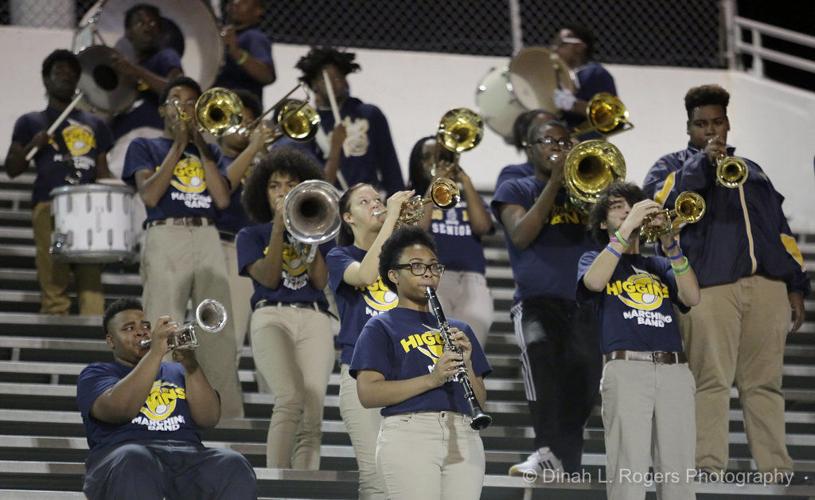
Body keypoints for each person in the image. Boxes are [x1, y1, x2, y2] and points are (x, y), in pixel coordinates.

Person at [642, 84, 810, 478]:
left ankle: (775, 469)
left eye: (717, 122)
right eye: (702, 124)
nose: (711, 130)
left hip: (766, 285)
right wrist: (700, 165)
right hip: (708, 287)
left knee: (765, 383)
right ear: (689, 128)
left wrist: (796, 285)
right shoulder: (670, 166)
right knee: (710, 380)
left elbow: (780, 232)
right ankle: (707, 465)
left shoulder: (754, 171)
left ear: (728, 122)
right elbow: (658, 209)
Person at [121, 76, 244, 419]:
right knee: (164, 321)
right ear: (163, 109)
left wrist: (201, 145)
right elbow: (149, 195)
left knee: (217, 326)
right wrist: (177, 145)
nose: (185, 108)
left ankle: (224, 415)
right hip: (166, 233)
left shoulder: (210, 151)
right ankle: (162, 410)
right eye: (177, 101)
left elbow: (220, 198)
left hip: (206, 234)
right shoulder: (145, 146)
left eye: (192, 102)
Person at [491, 119, 600, 475]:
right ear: (530, 148)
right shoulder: (515, 186)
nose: (557, 146)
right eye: (548, 141)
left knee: (584, 383)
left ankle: (564, 463)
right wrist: (554, 182)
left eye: (563, 139)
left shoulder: (586, 190)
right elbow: (521, 235)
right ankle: (545, 449)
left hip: (584, 303)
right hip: (537, 303)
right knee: (541, 363)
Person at [578, 182, 700, 500]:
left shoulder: (658, 265)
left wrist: (669, 242)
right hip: (627, 367)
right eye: (618, 205)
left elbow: (692, 296)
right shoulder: (594, 258)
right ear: (603, 222)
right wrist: (628, 227)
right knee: (628, 470)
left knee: (679, 473)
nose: (627, 210)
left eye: (632, 205)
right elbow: (593, 282)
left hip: (674, 368)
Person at [351, 225, 491, 500]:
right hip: (409, 433)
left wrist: (468, 364)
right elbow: (368, 393)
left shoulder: (459, 328)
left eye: (433, 267)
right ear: (394, 275)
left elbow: (481, 400)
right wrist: (433, 379)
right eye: (416, 266)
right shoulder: (380, 327)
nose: (427, 273)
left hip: (463, 432)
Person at [76, 298, 257, 500]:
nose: (141, 332)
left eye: (145, 326)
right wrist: (155, 354)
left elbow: (209, 418)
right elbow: (120, 409)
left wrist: (190, 363)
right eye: (129, 328)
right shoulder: (97, 373)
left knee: (232, 463)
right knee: (135, 459)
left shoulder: (178, 371)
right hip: (123, 457)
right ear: (111, 340)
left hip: (187, 458)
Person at [236, 148, 335, 469]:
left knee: (313, 411)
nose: (281, 192)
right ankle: (276, 483)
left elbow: (320, 281)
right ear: (262, 191)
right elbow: (268, 276)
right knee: (290, 398)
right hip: (271, 314)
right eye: (274, 185)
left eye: (289, 184)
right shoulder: (250, 235)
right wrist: (279, 228)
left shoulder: (315, 230)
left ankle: (304, 487)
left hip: (314, 317)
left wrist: (310, 233)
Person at [6, 49, 113, 316]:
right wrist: (33, 143)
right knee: (53, 268)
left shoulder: (95, 124)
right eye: (59, 72)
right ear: (46, 79)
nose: (65, 76)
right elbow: (12, 169)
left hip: (88, 206)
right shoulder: (31, 121)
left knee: (90, 273)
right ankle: (55, 320)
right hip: (49, 202)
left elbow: (102, 171)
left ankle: (94, 325)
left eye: (71, 73)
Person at [326, 184, 413, 499]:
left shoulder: (402, 257)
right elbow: (364, 276)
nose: (376, 204)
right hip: (362, 373)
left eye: (379, 199)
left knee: (407, 478)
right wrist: (391, 219)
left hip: (408, 371)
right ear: (348, 217)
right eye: (365, 202)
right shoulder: (339, 255)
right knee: (376, 478)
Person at [407, 136, 494, 347]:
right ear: (417, 164)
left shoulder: (463, 196)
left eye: (442, 157)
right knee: (436, 352)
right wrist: (433, 187)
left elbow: (482, 226)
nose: (435, 164)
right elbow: (417, 231)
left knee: (471, 350)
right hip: (432, 279)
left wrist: (465, 181)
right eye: (428, 158)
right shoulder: (412, 197)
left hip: (472, 280)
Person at [295, 47, 405, 196]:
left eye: (338, 77)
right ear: (313, 84)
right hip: (333, 204)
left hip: (371, 202)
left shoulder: (369, 114)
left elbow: (390, 166)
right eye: (325, 79)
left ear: (346, 81)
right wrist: (335, 147)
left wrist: (399, 202)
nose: (333, 84)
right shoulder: (308, 125)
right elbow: (317, 182)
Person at [215, 89, 270, 360]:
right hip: (219, 246)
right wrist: (253, 148)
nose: (245, 129)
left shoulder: (262, 164)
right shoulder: (211, 157)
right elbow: (222, 191)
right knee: (222, 334)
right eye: (238, 121)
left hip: (255, 254)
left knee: (243, 337)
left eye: (250, 123)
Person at [550, 24, 617, 132]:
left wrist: (573, 104)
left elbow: (610, 116)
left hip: (586, 144)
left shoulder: (595, 73)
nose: (555, 48)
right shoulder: (558, 74)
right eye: (554, 43)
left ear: (579, 47)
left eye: (561, 44)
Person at [214, 0, 276, 107]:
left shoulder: (254, 37)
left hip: (242, 109)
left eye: (244, 1)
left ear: (258, 10)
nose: (236, 3)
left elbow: (267, 75)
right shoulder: (224, 35)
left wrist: (236, 52)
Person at [494, 109, 554, 192]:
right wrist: (554, 182)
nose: (553, 134)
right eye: (546, 138)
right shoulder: (513, 174)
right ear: (525, 140)